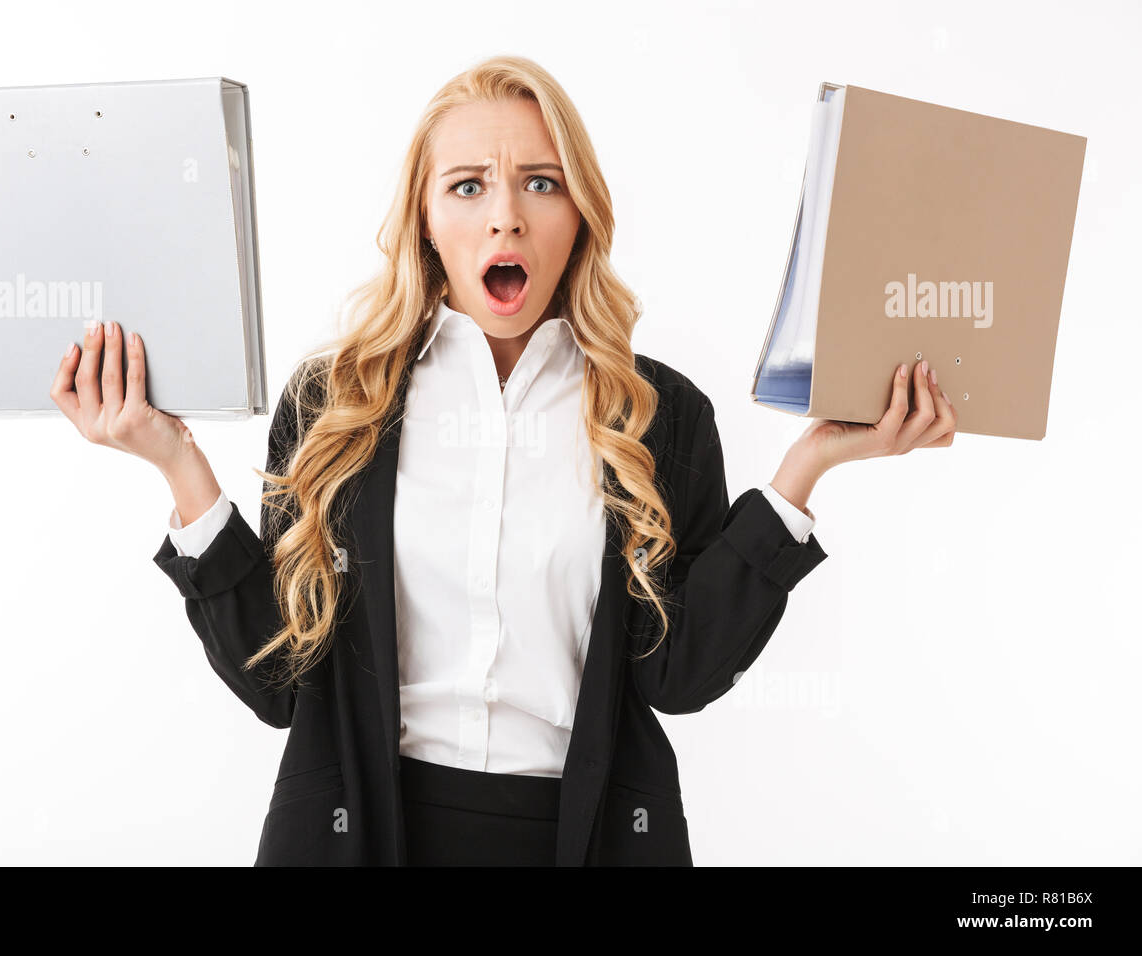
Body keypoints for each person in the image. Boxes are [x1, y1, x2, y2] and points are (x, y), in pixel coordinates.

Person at [51, 55, 956, 866]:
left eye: (540, 183)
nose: (507, 217)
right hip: (362, 832)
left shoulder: (660, 414)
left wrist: (805, 470)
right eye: (470, 187)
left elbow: (677, 677)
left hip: (588, 837)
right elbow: (278, 684)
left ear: (581, 215)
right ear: (426, 220)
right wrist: (178, 466)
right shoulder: (336, 402)